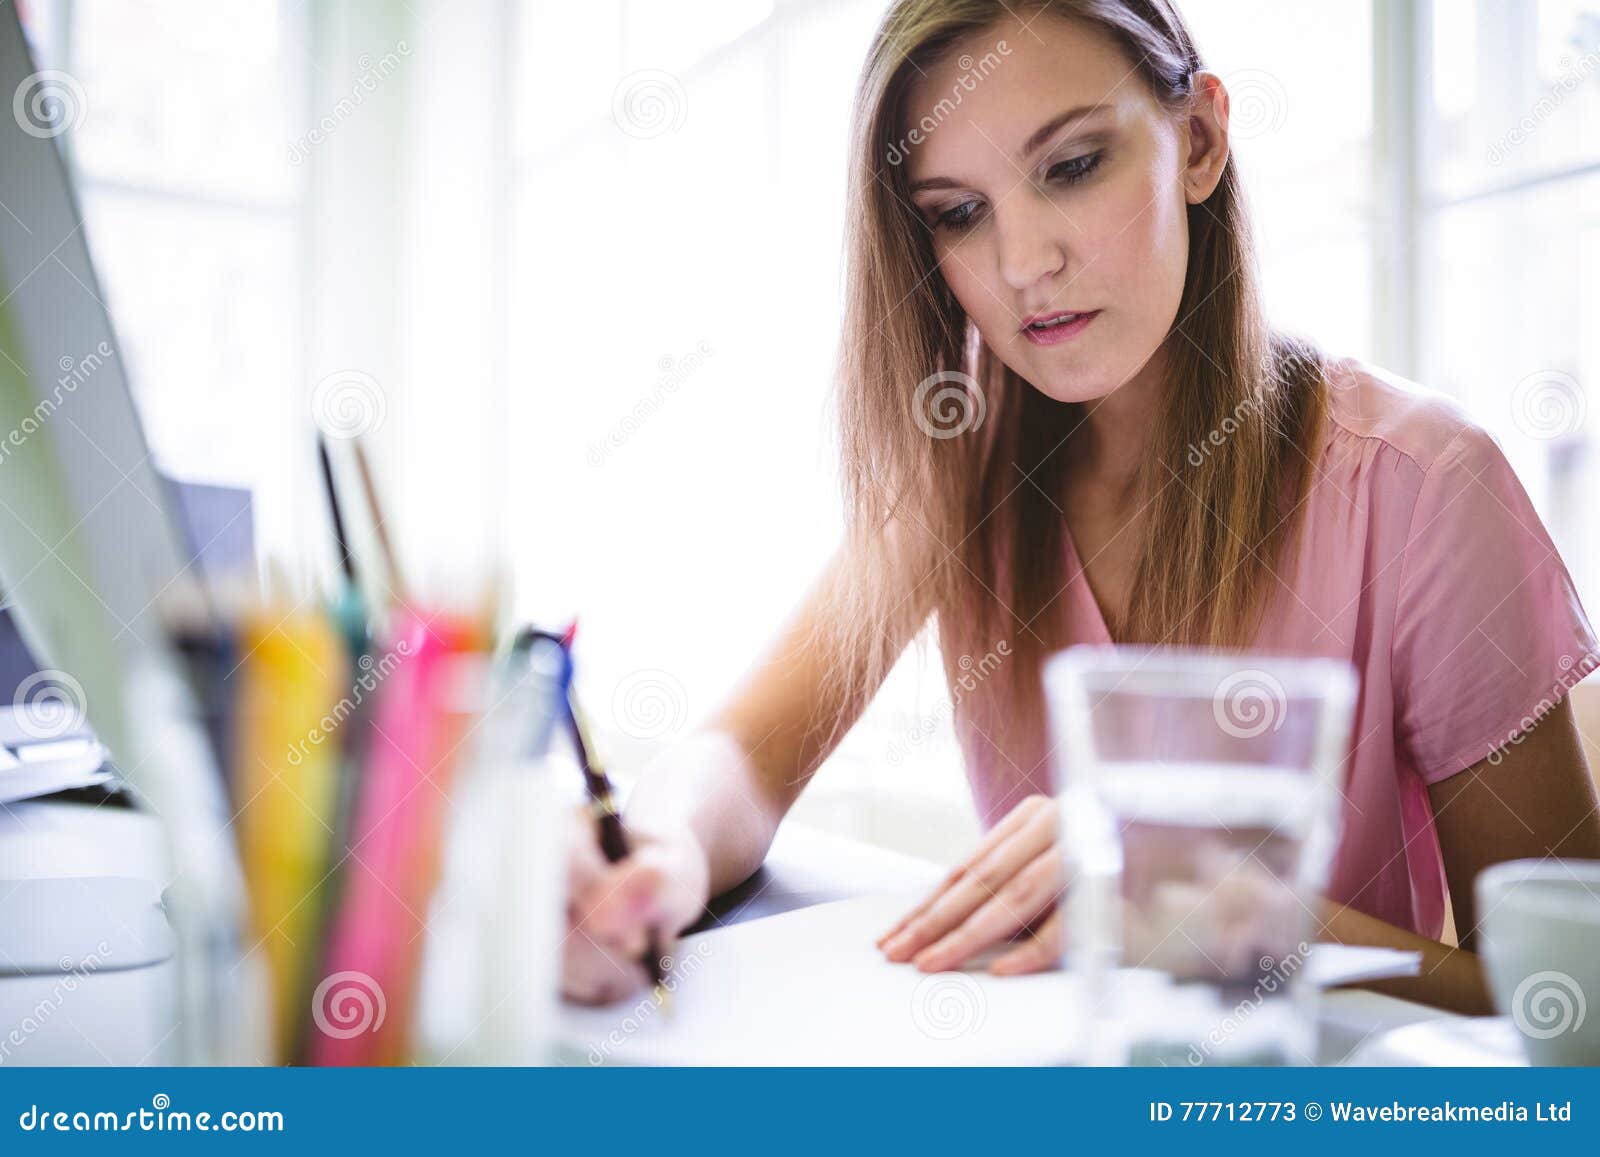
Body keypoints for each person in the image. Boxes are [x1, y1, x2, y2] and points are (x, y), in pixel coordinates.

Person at [561, 0, 1600, 1013]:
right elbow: (743, 761)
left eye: (1071, 167)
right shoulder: (961, 473)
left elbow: (1567, 1000)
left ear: (1198, 142)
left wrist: (1203, 901)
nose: (1024, 265)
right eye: (958, 213)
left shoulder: (1422, 484)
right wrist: (655, 854)